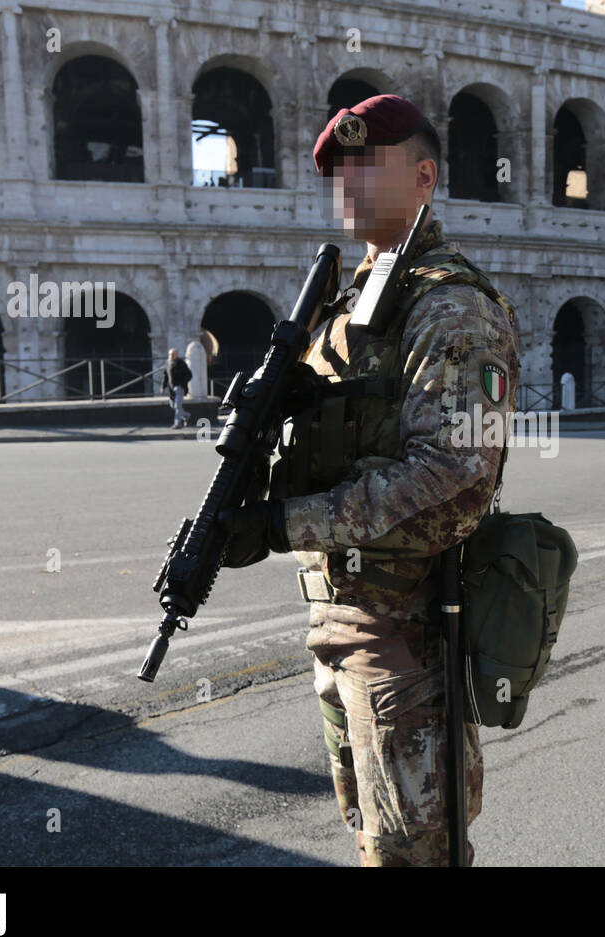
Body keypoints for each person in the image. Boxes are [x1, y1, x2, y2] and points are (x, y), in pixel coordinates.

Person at [217, 94, 521, 866]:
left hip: (404, 635)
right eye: (335, 168)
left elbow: (453, 477)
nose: (345, 181)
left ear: (424, 177)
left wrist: (285, 525)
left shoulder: (449, 306)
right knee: (373, 839)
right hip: (342, 623)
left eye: (366, 162)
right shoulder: (351, 304)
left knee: (414, 852)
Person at [164, 349, 192, 429]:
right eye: (170, 354)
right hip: (171, 388)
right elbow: (165, 375)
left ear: (177, 355)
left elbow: (189, 375)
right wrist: (163, 386)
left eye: (174, 354)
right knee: (173, 405)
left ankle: (177, 424)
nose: (172, 356)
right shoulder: (167, 363)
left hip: (180, 387)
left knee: (177, 406)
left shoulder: (181, 363)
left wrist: (183, 383)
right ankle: (186, 415)